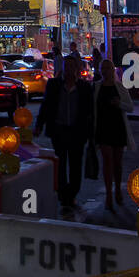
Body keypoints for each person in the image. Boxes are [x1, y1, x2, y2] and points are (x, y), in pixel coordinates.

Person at [35, 55, 94, 211]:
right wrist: (39, 125)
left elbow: (90, 112)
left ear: (77, 69)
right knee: (60, 164)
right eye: (66, 66)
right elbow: (46, 105)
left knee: (75, 165)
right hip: (59, 130)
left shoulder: (84, 87)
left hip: (77, 132)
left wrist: (91, 133)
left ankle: (72, 193)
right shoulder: (54, 85)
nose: (68, 69)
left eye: (71, 66)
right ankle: (63, 195)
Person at [93, 59, 134, 207]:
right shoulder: (96, 87)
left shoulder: (120, 87)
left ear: (112, 70)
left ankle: (117, 189)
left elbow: (130, 107)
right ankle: (109, 194)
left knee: (117, 162)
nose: (105, 71)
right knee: (107, 160)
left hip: (117, 127)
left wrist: (119, 104)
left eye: (108, 68)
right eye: (103, 68)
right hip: (103, 128)